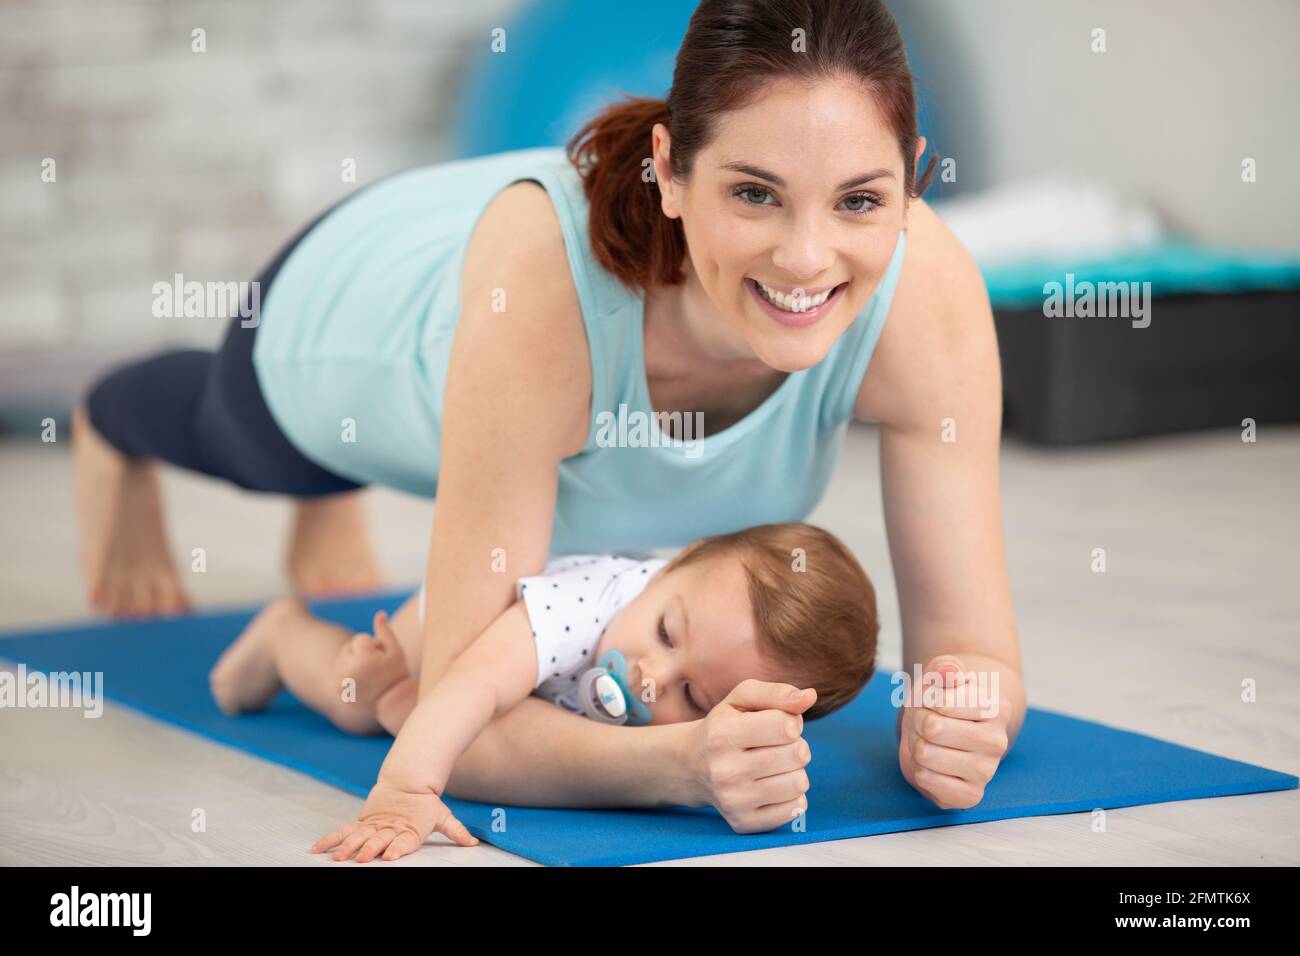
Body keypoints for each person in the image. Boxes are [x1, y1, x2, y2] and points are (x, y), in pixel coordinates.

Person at [73, 0, 1025, 829]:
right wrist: (677, 768)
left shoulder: (928, 297)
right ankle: (115, 426)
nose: (808, 258)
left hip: (501, 375)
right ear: (672, 169)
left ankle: (329, 497)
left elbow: (974, 654)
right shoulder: (541, 298)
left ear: (912, 181)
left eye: (859, 200)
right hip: (350, 315)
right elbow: (450, 713)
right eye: (753, 194)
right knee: (257, 447)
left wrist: (961, 714)